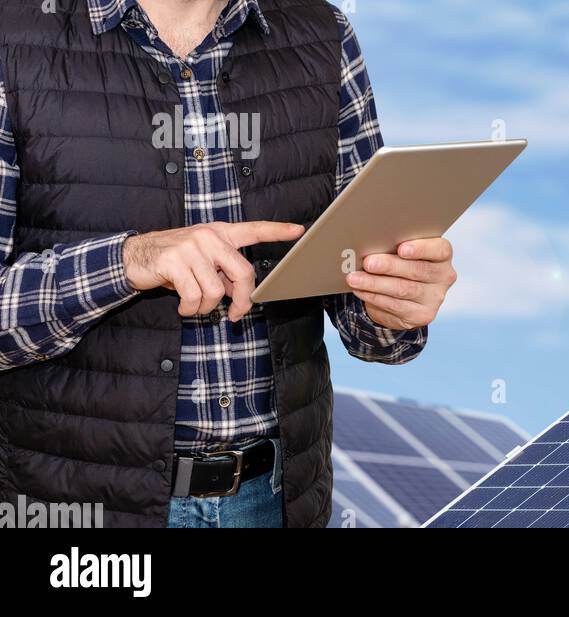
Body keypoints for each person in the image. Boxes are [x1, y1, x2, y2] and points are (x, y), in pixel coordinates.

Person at [0, 0, 456, 527]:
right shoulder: (14, 36)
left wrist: (394, 303)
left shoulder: (324, 36)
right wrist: (130, 260)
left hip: (275, 501)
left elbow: (365, 307)